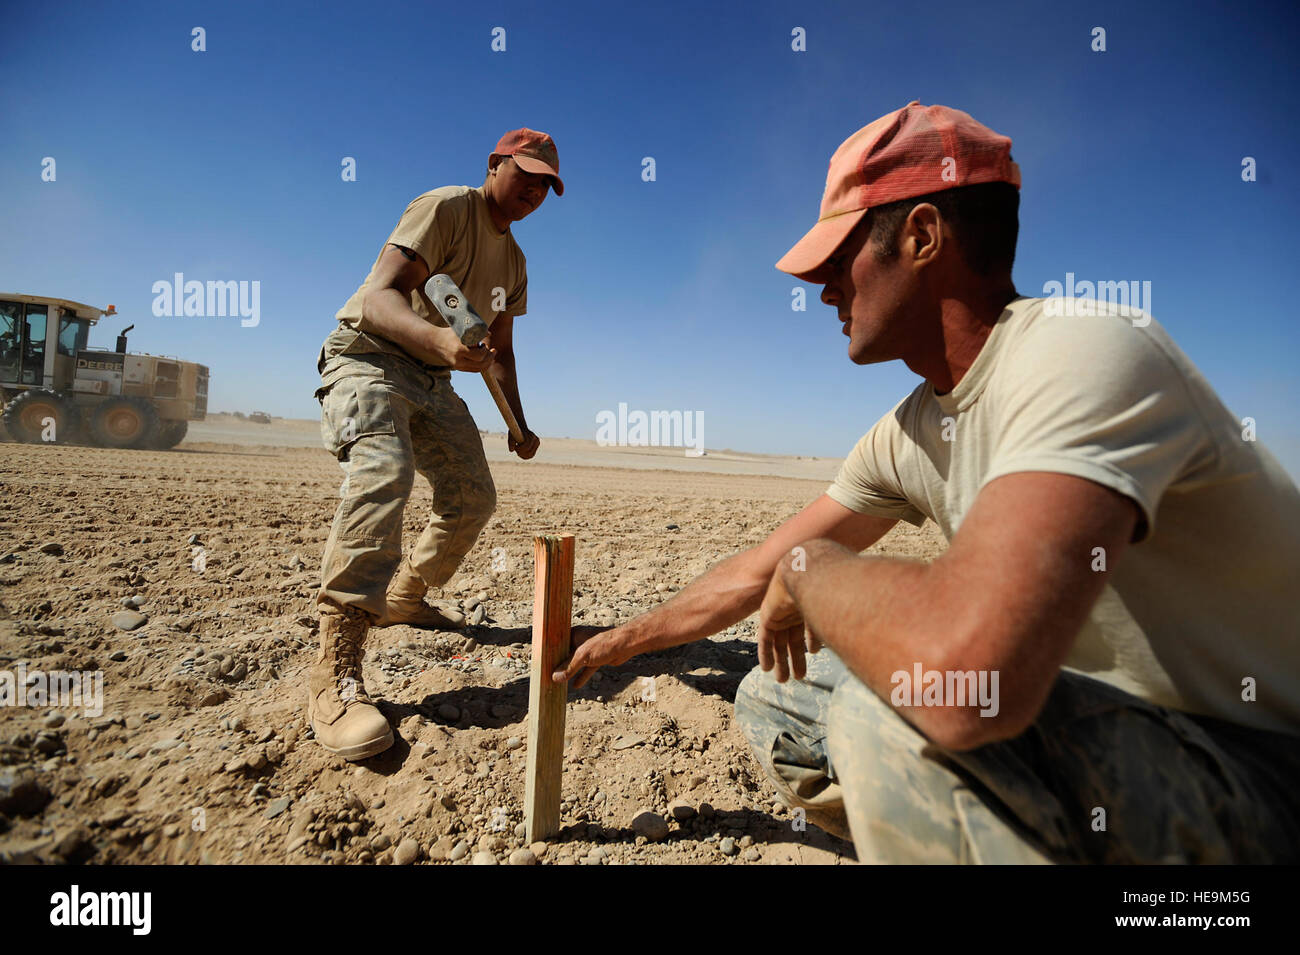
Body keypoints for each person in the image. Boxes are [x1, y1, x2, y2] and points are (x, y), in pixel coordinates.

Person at [554, 102, 1300, 863]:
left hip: (1254, 774)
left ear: (920, 236)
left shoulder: (1087, 353)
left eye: (836, 262)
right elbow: (757, 570)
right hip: (1090, 732)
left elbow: (965, 667)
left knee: (902, 707)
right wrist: (624, 641)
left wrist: (813, 570)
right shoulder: (911, 430)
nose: (823, 293)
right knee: (776, 695)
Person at [308, 128, 562, 761]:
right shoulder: (448, 207)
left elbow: (499, 351)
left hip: (432, 378)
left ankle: (406, 596)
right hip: (368, 359)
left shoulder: (516, 264)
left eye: (545, 185)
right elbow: (379, 297)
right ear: (494, 165)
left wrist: (518, 424)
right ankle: (333, 675)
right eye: (524, 174)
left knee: (472, 497)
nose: (532, 190)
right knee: (385, 471)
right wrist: (445, 344)